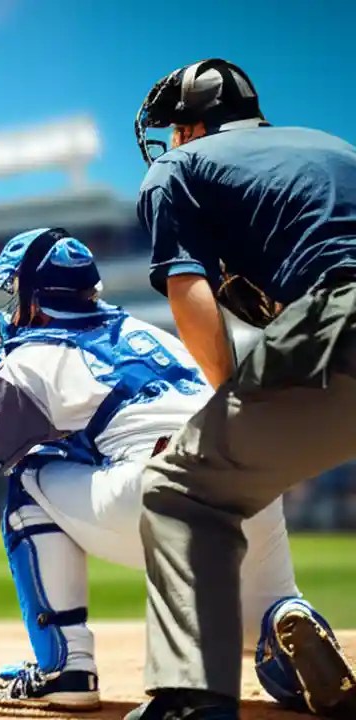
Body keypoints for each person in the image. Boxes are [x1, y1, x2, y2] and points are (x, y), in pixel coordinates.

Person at [0, 228, 343, 713]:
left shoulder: (25, 362)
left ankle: (65, 669)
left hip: (163, 487)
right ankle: (287, 620)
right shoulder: (150, 333)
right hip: (253, 477)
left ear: (34, 297)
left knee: (30, 472)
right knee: (262, 622)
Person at [131, 58, 356, 719]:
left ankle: (191, 703)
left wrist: (229, 408)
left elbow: (189, 291)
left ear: (192, 126)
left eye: (176, 130)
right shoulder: (335, 146)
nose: (173, 141)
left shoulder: (178, 168)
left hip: (341, 317)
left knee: (182, 490)